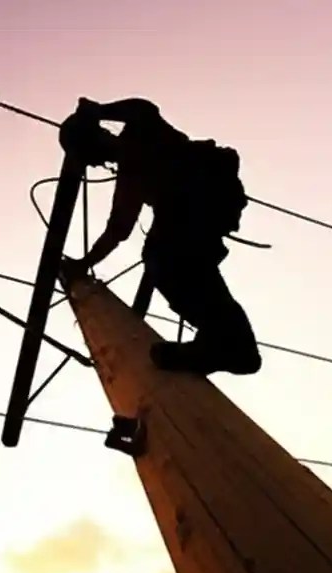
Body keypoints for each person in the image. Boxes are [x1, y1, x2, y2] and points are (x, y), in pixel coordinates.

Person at [57, 97, 262, 376]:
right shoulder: (130, 176)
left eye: (90, 155)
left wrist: (99, 111)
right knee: (184, 265)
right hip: (199, 210)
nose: (95, 164)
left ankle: (227, 343)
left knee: (165, 257)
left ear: (96, 137)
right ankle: (227, 341)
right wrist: (84, 262)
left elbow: (143, 109)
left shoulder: (140, 135)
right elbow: (118, 229)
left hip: (203, 192)